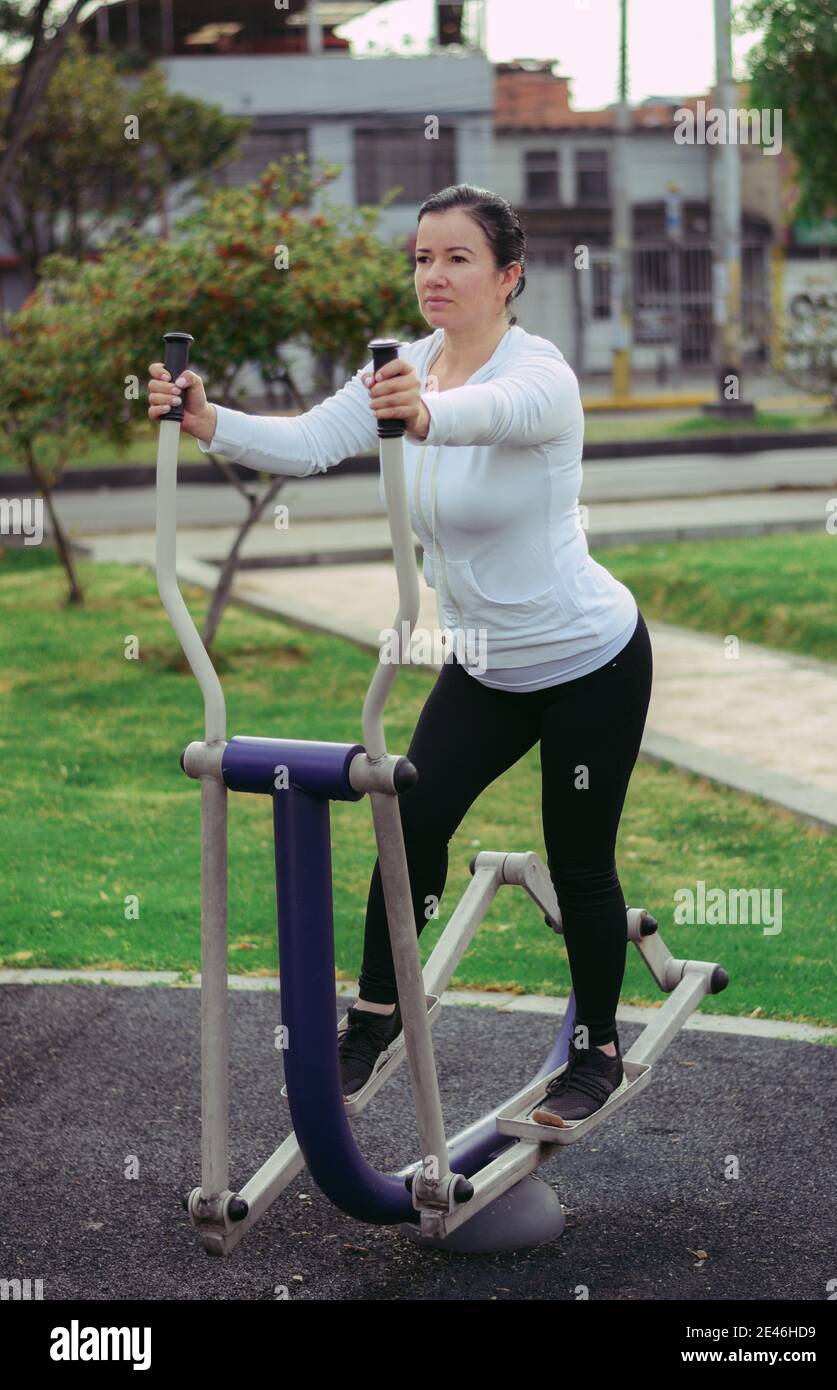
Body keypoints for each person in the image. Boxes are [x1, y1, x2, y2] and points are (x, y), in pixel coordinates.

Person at [147, 183, 653, 1126]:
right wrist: (209, 421)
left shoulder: (540, 374)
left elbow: (490, 414)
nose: (433, 275)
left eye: (458, 258)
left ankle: (598, 1051)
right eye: (422, 257)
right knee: (407, 820)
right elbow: (307, 443)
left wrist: (423, 416)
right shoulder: (399, 366)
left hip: (590, 661)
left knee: (579, 858)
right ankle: (378, 1013)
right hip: (486, 666)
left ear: (508, 277)